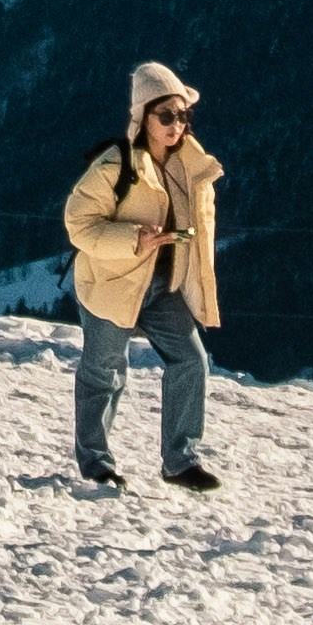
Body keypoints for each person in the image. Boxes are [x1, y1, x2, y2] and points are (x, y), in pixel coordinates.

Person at [65, 60, 223, 489]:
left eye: (183, 115)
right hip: (113, 285)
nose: (177, 125)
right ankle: (96, 463)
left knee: (191, 361)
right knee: (104, 372)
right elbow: (79, 224)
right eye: (167, 116)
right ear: (144, 118)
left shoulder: (188, 164)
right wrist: (133, 239)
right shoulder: (116, 165)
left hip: (161, 285)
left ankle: (180, 462)